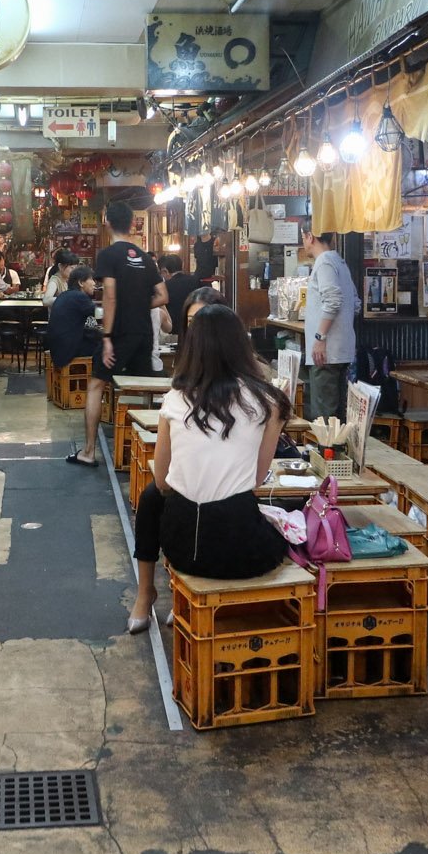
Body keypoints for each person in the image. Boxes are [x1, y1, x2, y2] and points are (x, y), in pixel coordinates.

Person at [126, 304, 291, 632]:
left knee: (151, 498)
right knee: (288, 524)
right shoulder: (271, 402)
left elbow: (161, 480)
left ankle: (153, 594)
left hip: (182, 547)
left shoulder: (175, 398)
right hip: (243, 552)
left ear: (193, 347)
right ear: (241, 346)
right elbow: (257, 479)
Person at [93, 201, 165, 385]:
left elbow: (110, 296)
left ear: (107, 222)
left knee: (97, 384)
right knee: (140, 385)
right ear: (133, 224)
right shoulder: (146, 258)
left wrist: (107, 337)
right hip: (144, 332)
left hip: (120, 331)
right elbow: (163, 296)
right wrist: (138, 303)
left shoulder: (107, 255)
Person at [47, 266, 108, 466]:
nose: (95, 284)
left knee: (96, 335)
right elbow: (101, 314)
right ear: (81, 282)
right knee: (103, 344)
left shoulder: (67, 296)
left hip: (59, 348)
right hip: (67, 350)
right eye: (92, 281)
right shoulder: (80, 298)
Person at [299, 228, 358, 421]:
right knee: (336, 418)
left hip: (325, 354)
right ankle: (334, 449)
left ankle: (327, 451)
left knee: (324, 419)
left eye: (303, 237)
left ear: (310, 236)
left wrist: (320, 337)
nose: (303, 243)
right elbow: (355, 303)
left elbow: (333, 300)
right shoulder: (339, 262)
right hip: (340, 349)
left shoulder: (324, 262)